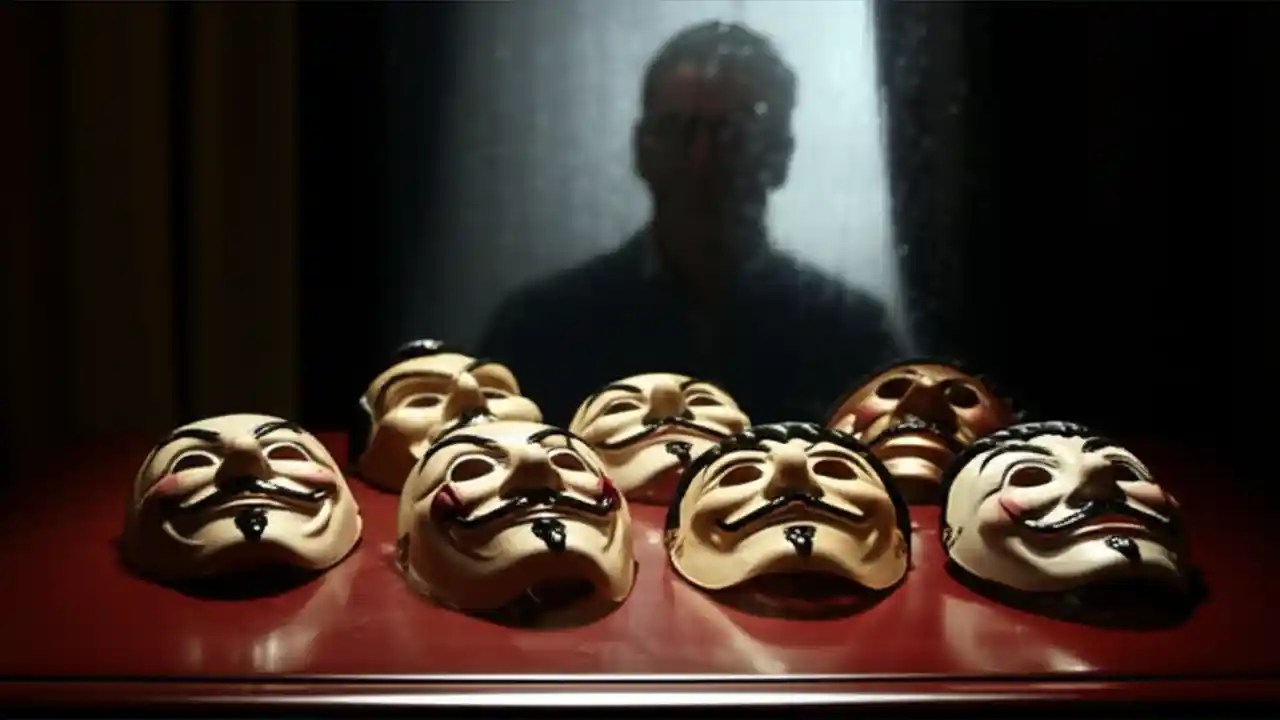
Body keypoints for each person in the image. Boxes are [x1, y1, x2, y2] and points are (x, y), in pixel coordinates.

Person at [478, 21, 900, 426]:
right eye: (679, 130)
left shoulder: (851, 337)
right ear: (642, 148)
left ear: (779, 156)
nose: (701, 159)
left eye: (730, 134)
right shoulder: (540, 331)